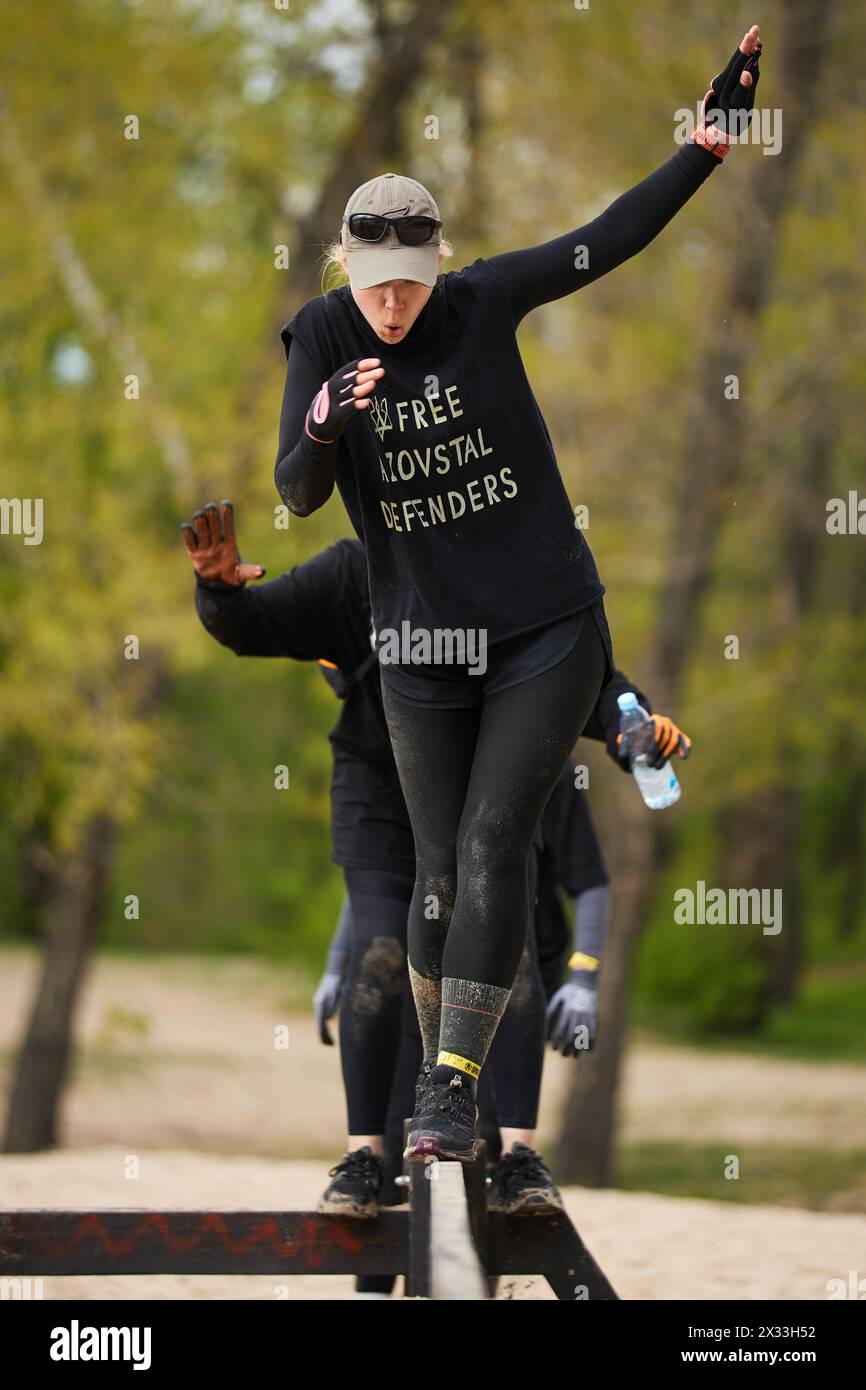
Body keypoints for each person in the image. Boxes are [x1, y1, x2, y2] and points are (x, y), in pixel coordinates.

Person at [275, 25, 761, 1160]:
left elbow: (606, 240)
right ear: (343, 267)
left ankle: (448, 1090)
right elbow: (296, 493)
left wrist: (704, 145)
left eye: (411, 286)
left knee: (499, 841)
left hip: (544, 626)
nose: (393, 309)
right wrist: (320, 422)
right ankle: (435, 1093)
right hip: (420, 644)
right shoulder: (320, 338)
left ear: (437, 265)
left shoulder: (484, 303)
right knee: (438, 873)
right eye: (375, 288)